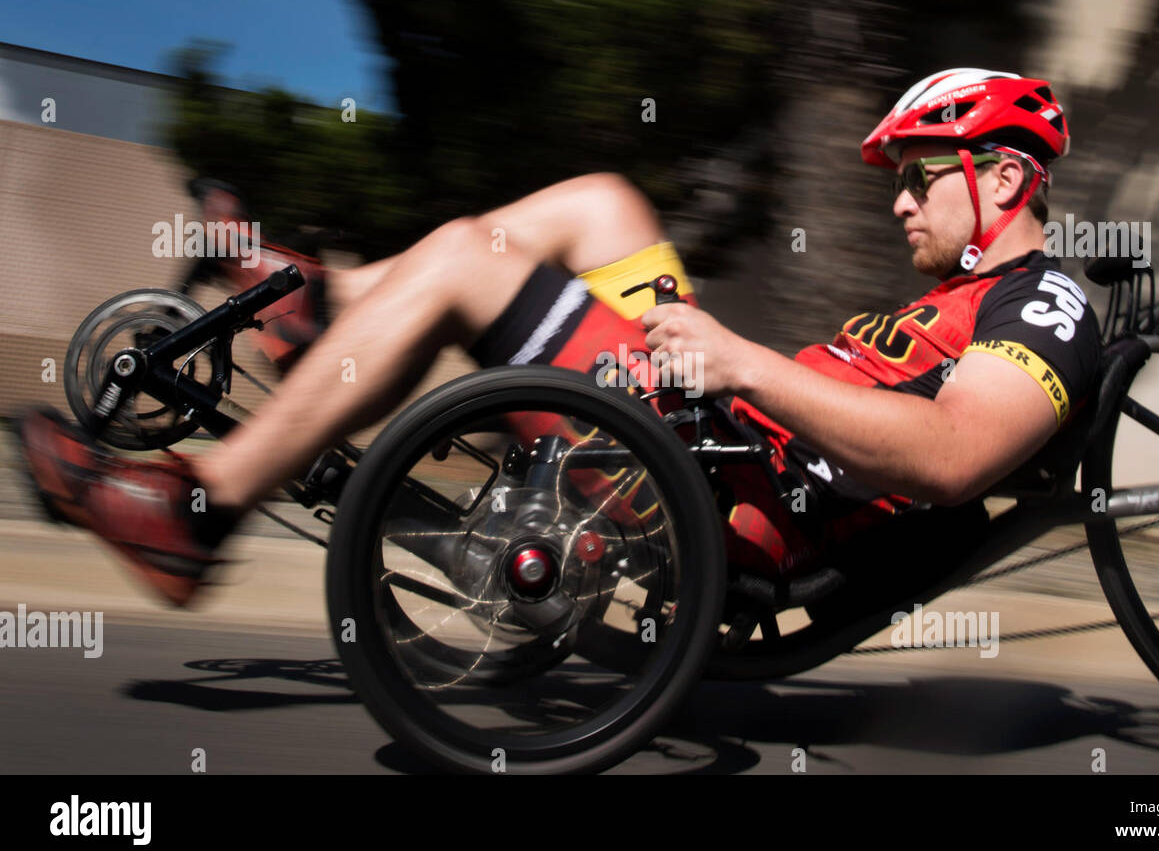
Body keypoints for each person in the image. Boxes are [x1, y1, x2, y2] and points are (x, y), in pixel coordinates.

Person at [15, 68, 1101, 607]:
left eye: (922, 178)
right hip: (715, 436)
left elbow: (953, 457)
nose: (901, 203)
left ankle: (200, 514)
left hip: (727, 497)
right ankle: (327, 305)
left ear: (1006, 177)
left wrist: (739, 360)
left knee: (463, 259)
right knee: (601, 201)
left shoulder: (1041, 305)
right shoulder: (964, 298)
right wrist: (729, 367)